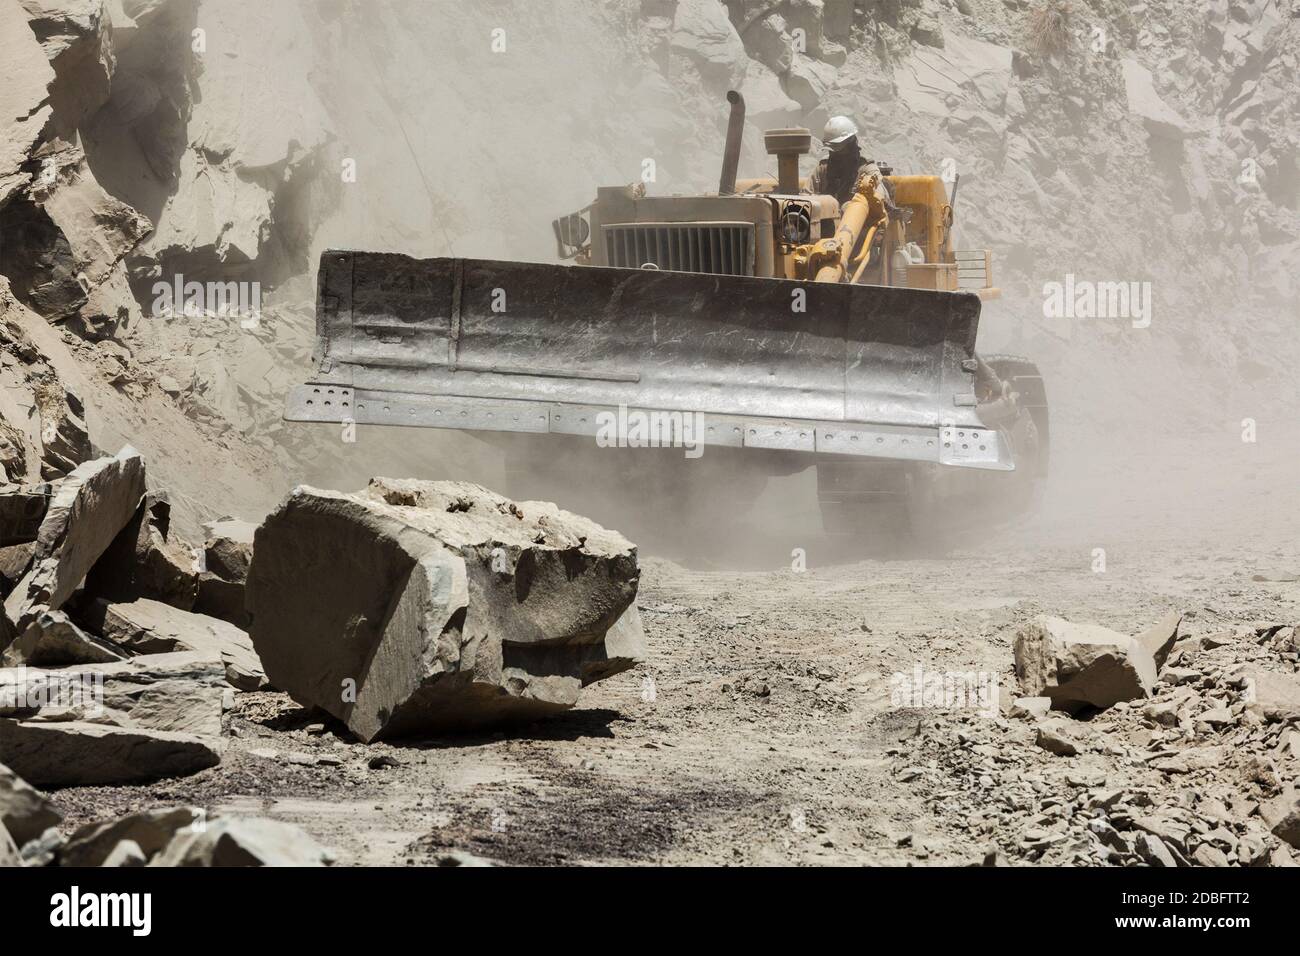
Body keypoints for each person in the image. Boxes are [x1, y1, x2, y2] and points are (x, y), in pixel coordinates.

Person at [807, 116, 898, 214]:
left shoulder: (867, 170)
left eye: (838, 148)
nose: (835, 154)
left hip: (860, 227)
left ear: (850, 143)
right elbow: (806, 196)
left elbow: (881, 201)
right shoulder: (823, 169)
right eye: (832, 149)